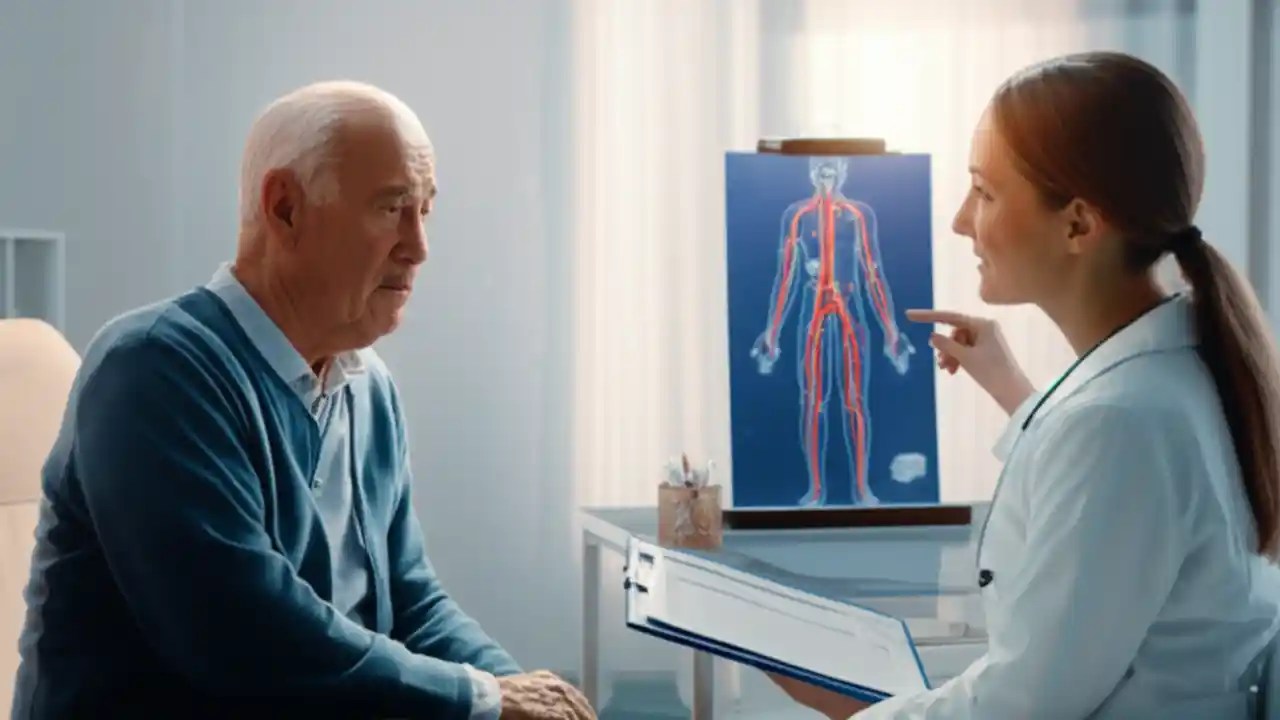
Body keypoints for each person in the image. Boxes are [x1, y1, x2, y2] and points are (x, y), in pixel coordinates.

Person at [12, 80, 595, 720]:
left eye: (425, 210)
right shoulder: (153, 369)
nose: (418, 247)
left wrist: (524, 697)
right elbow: (243, 637)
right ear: (285, 207)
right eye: (391, 207)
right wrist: (482, 700)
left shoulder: (369, 388)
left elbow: (410, 599)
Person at [770, 50, 1280, 719]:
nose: (959, 220)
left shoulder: (1121, 422)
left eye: (984, 192)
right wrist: (1017, 393)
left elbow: (1023, 705)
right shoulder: (1180, 371)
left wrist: (857, 715)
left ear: (1077, 224)